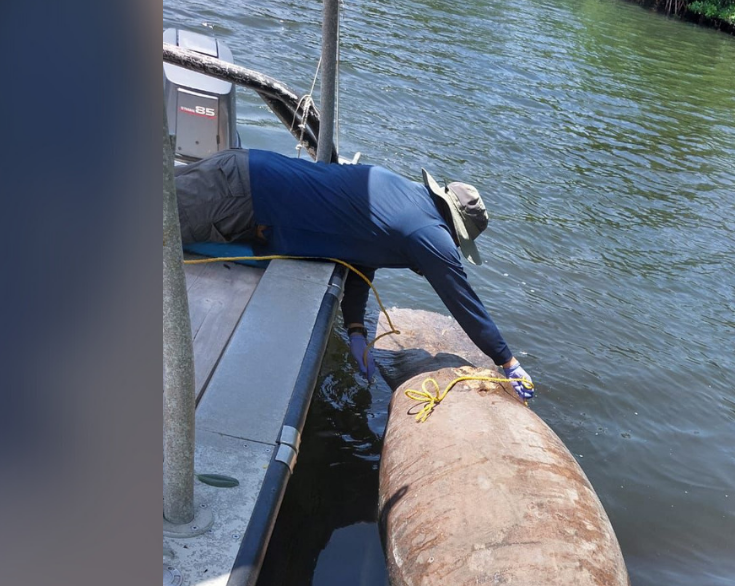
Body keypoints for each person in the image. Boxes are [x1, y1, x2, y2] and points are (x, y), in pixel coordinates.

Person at [174, 147, 534, 400]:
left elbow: (361, 258)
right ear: (455, 231)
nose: (453, 248)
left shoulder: (404, 196)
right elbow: (463, 301)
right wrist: (507, 361)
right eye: (458, 243)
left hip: (240, 167)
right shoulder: (429, 233)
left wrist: (356, 330)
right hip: (234, 197)